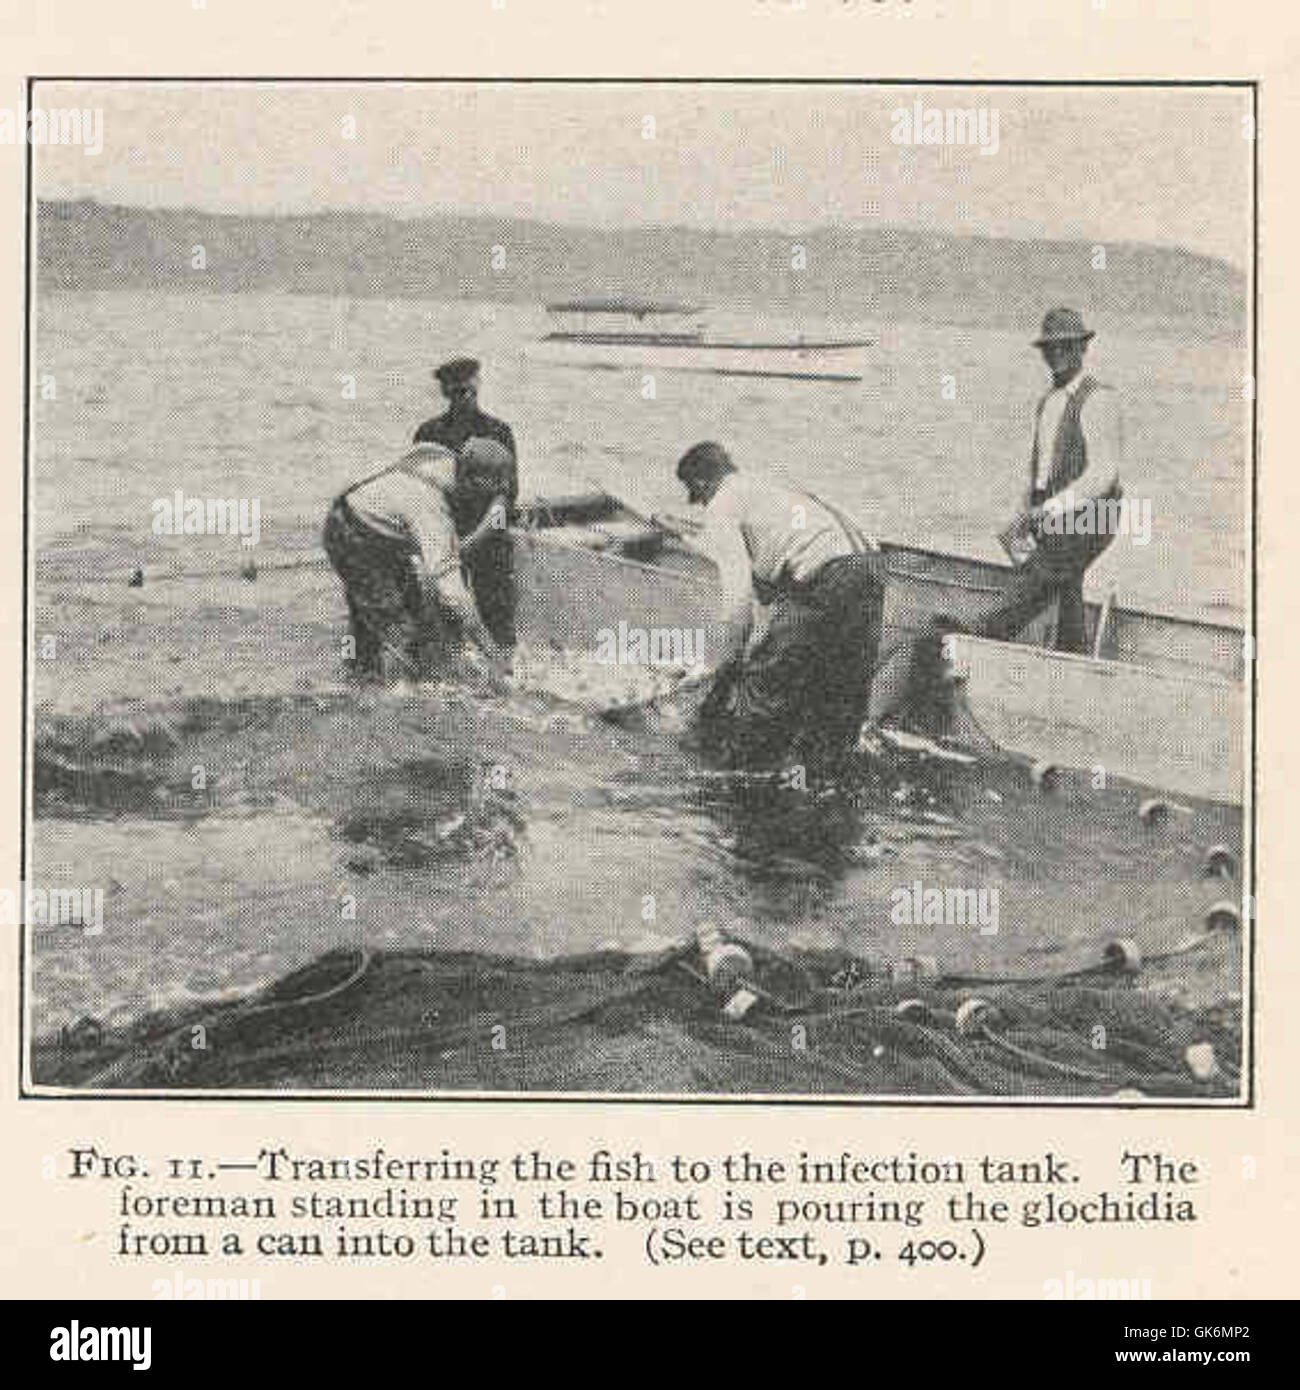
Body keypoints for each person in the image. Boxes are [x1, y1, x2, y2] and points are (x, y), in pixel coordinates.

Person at [676, 441, 886, 771]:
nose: (702, 506)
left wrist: (728, 666)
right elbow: (776, 576)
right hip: (871, 567)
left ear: (702, 484)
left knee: (763, 691)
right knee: (842, 695)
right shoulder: (767, 484)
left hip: (827, 577)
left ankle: (740, 783)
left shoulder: (721, 505)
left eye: (698, 497)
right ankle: (833, 778)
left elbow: (737, 605)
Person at [976, 307, 1125, 652]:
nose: (1057, 355)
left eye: (1066, 347)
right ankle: (1073, 657)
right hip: (1057, 516)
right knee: (1065, 583)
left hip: (1094, 514)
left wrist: (1051, 509)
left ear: (1082, 349)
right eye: (1050, 349)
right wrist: (1022, 511)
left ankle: (980, 636)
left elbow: (1103, 474)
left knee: (1042, 575)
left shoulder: (1100, 399)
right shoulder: (1048, 402)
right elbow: (1041, 471)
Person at [322, 441, 510, 683]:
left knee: (404, 617)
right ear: (468, 480)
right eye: (492, 485)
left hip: (369, 524)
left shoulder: (442, 458)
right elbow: (450, 589)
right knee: (399, 629)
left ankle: (357, 675)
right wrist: (492, 652)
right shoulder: (430, 508)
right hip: (352, 538)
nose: (500, 490)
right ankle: (393, 701)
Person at [414, 358, 518, 647]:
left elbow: (505, 499)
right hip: (444, 533)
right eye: (458, 392)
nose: (466, 399)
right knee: (443, 615)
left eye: (470, 391)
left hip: (489, 534)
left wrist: (475, 540)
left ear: (478, 386)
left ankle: (504, 668)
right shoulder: (428, 434)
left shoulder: (499, 432)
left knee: (497, 613)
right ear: (446, 392)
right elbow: (419, 494)